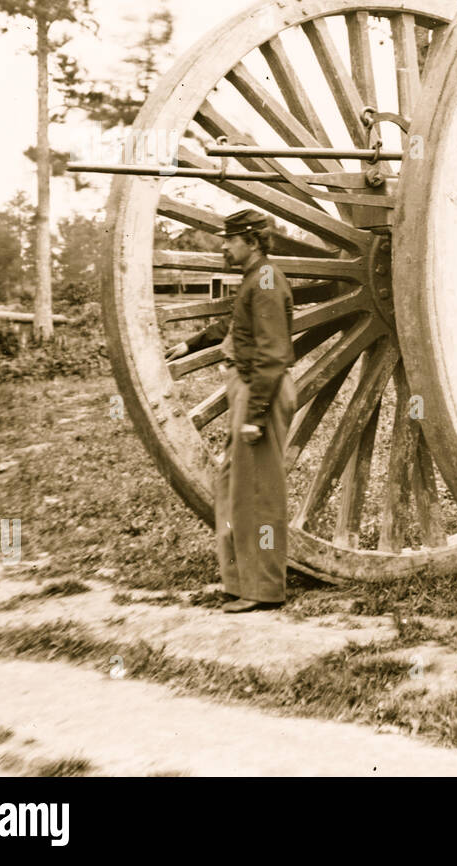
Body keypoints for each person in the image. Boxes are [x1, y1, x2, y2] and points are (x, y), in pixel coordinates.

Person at [165, 209, 295, 613]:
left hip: (262, 390)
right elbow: (238, 325)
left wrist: (254, 417)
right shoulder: (256, 280)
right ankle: (241, 581)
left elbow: (272, 354)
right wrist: (193, 343)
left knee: (259, 493)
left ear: (252, 241)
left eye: (231, 239)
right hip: (251, 387)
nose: (224, 245)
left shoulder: (267, 281)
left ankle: (263, 589)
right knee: (234, 488)